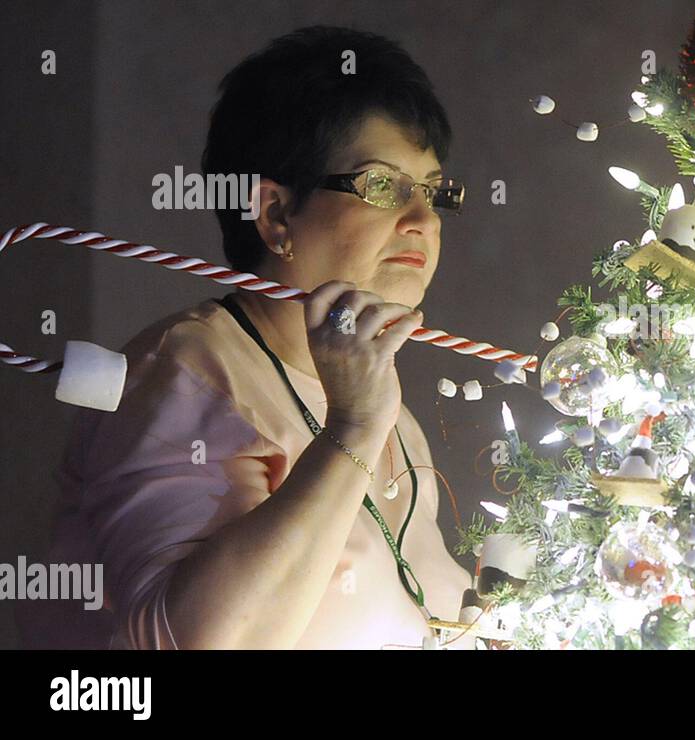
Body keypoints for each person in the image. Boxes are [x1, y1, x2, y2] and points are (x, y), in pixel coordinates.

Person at [22, 26, 472, 649]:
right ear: (275, 215)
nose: (423, 219)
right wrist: (354, 429)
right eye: (380, 185)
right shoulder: (185, 374)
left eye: (432, 191)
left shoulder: (389, 412)